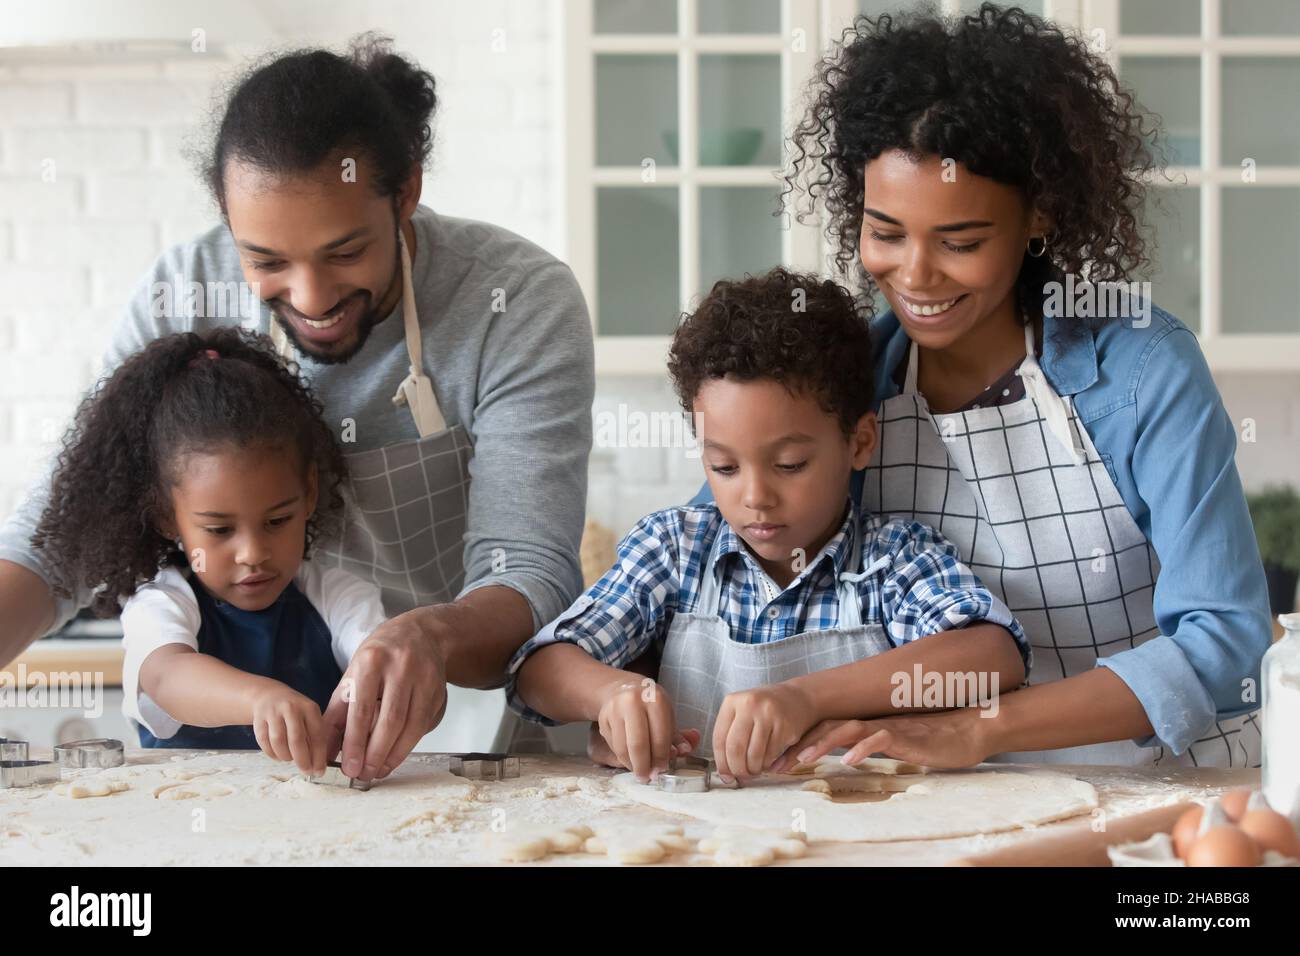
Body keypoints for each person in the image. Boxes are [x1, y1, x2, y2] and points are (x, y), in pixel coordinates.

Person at [0, 35, 594, 781]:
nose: (310, 299)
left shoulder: (516, 302)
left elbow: (528, 568)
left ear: (405, 191)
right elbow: (62, 535)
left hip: (462, 734)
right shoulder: (182, 292)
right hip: (235, 760)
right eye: (268, 262)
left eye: (345, 252)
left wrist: (427, 640)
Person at [768, 3, 1268, 768]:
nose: (916, 275)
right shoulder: (845, 383)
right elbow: (709, 553)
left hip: (1163, 791)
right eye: (886, 232)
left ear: (1039, 216)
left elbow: (1225, 638)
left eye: (961, 241)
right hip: (941, 796)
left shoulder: (1142, 370)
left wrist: (976, 729)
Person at [508, 269, 1030, 784]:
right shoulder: (673, 551)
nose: (755, 497)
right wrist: (612, 694)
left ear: (859, 443)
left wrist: (806, 697)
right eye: (725, 468)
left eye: (789, 465)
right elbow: (537, 671)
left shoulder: (893, 560)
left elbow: (993, 659)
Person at [32, 329, 384, 775]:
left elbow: (378, 659)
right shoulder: (162, 601)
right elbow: (167, 676)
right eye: (219, 529)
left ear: (309, 492)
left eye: (277, 521)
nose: (253, 553)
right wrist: (260, 698)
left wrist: (377, 687)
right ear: (166, 516)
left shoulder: (338, 596)